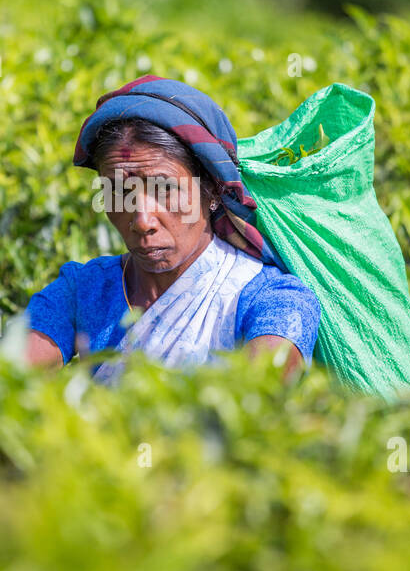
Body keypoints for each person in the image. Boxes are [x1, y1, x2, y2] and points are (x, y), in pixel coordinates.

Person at [20, 75, 320, 382]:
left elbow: (260, 398)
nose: (142, 221)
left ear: (213, 191)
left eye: (164, 189)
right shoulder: (84, 289)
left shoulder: (270, 298)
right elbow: (2, 377)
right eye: (120, 192)